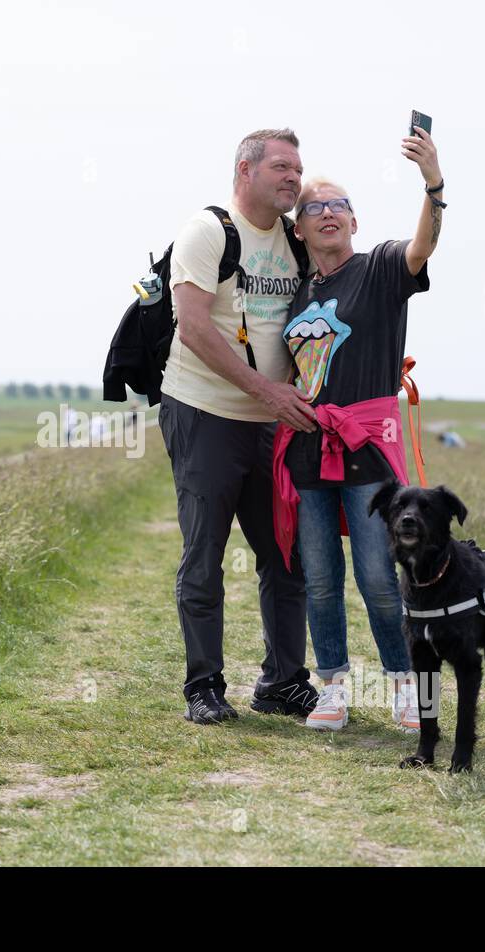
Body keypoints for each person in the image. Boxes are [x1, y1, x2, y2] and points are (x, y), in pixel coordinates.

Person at [272, 123, 446, 734]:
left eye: (338, 206)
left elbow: (422, 248)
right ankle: (333, 690)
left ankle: (406, 688)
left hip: (368, 449)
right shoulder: (295, 295)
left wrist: (432, 183)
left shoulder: (377, 272)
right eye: (313, 207)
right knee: (320, 577)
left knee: (377, 575)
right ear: (299, 228)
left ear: (354, 221)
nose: (327, 214)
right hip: (309, 447)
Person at [159, 128, 320, 725]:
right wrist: (265, 391)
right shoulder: (208, 232)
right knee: (204, 553)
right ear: (245, 170)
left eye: (298, 171)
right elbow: (193, 327)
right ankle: (203, 687)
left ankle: (283, 682)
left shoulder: (294, 238)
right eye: (281, 167)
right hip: (204, 413)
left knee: (287, 555)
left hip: (271, 424)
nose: (293, 180)